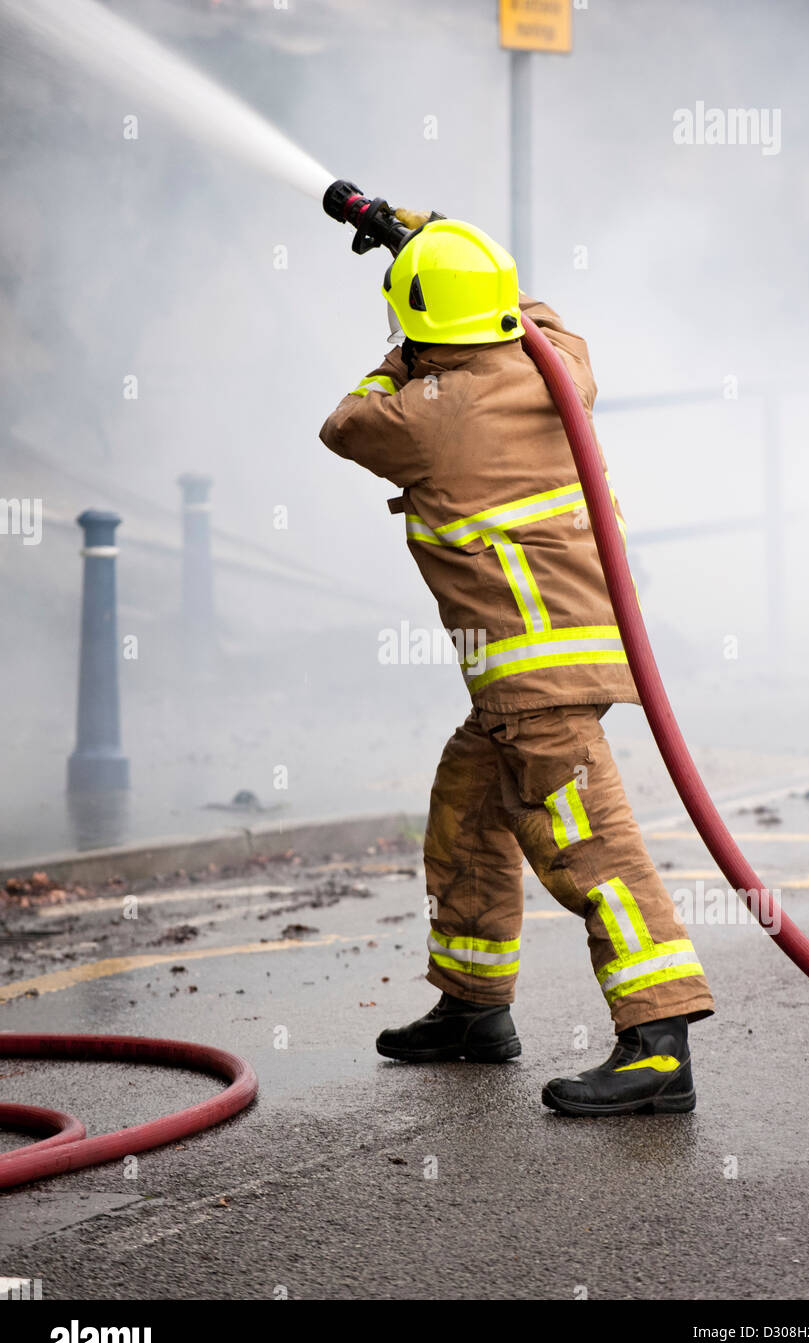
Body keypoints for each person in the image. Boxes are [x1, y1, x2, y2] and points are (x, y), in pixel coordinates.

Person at [319, 210, 714, 1116]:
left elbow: (344, 424)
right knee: (467, 810)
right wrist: (428, 235)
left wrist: (402, 341)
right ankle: (472, 1010)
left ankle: (657, 1047)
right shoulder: (555, 364)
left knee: (586, 848)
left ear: (420, 331)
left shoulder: (425, 413)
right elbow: (536, 313)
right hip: (564, 654)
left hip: (532, 675)